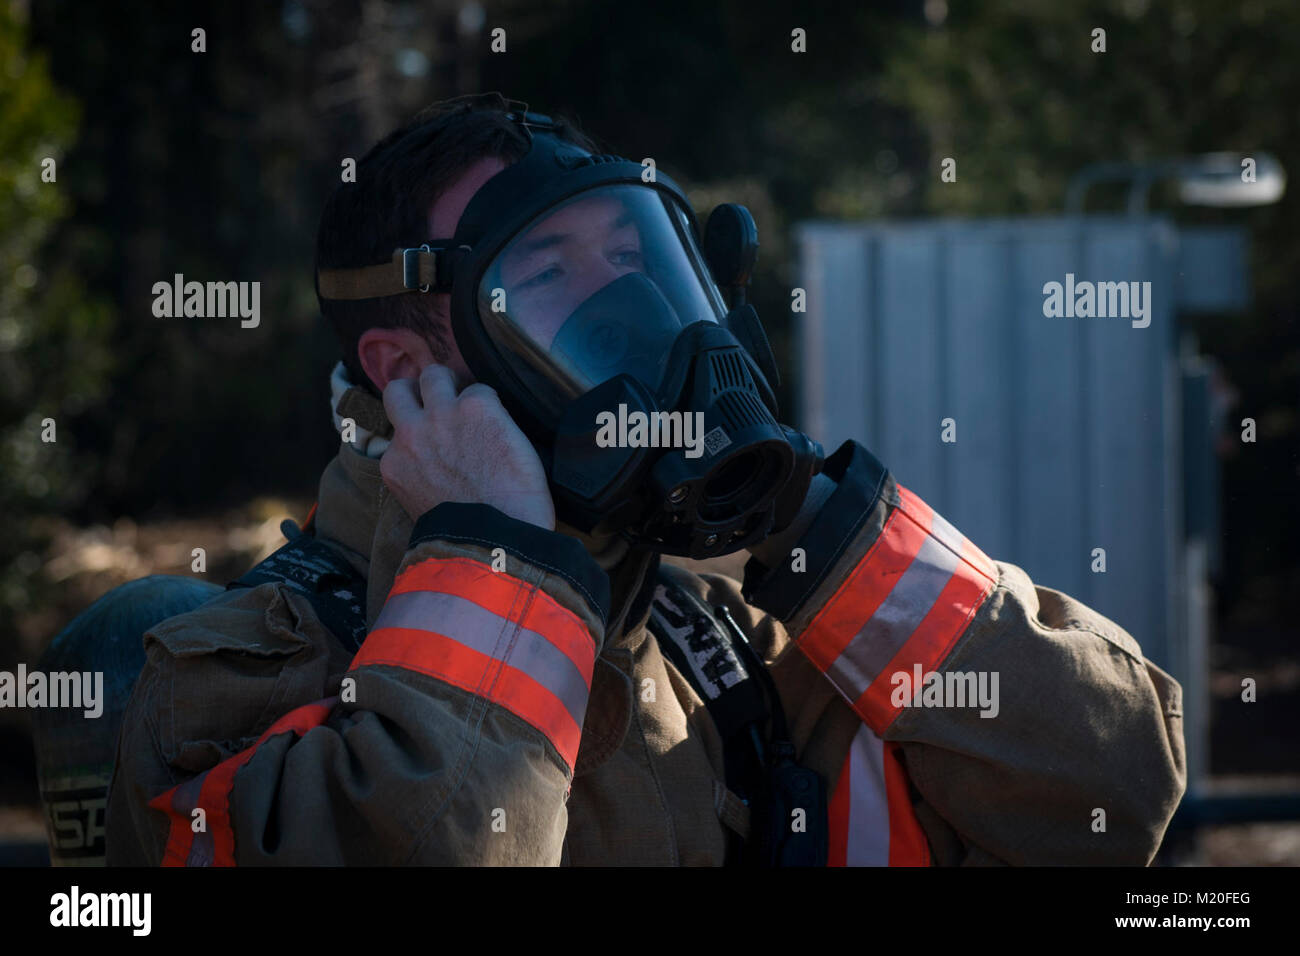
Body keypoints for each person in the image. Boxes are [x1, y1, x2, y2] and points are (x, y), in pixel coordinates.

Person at [104, 94, 1185, 866]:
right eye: (546, 274)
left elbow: (1111, 794)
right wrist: (493, 558)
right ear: (410, 373)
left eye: (633, 261)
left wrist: (819, 527)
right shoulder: (231, 685)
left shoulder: (733, 658)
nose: (626, 313)